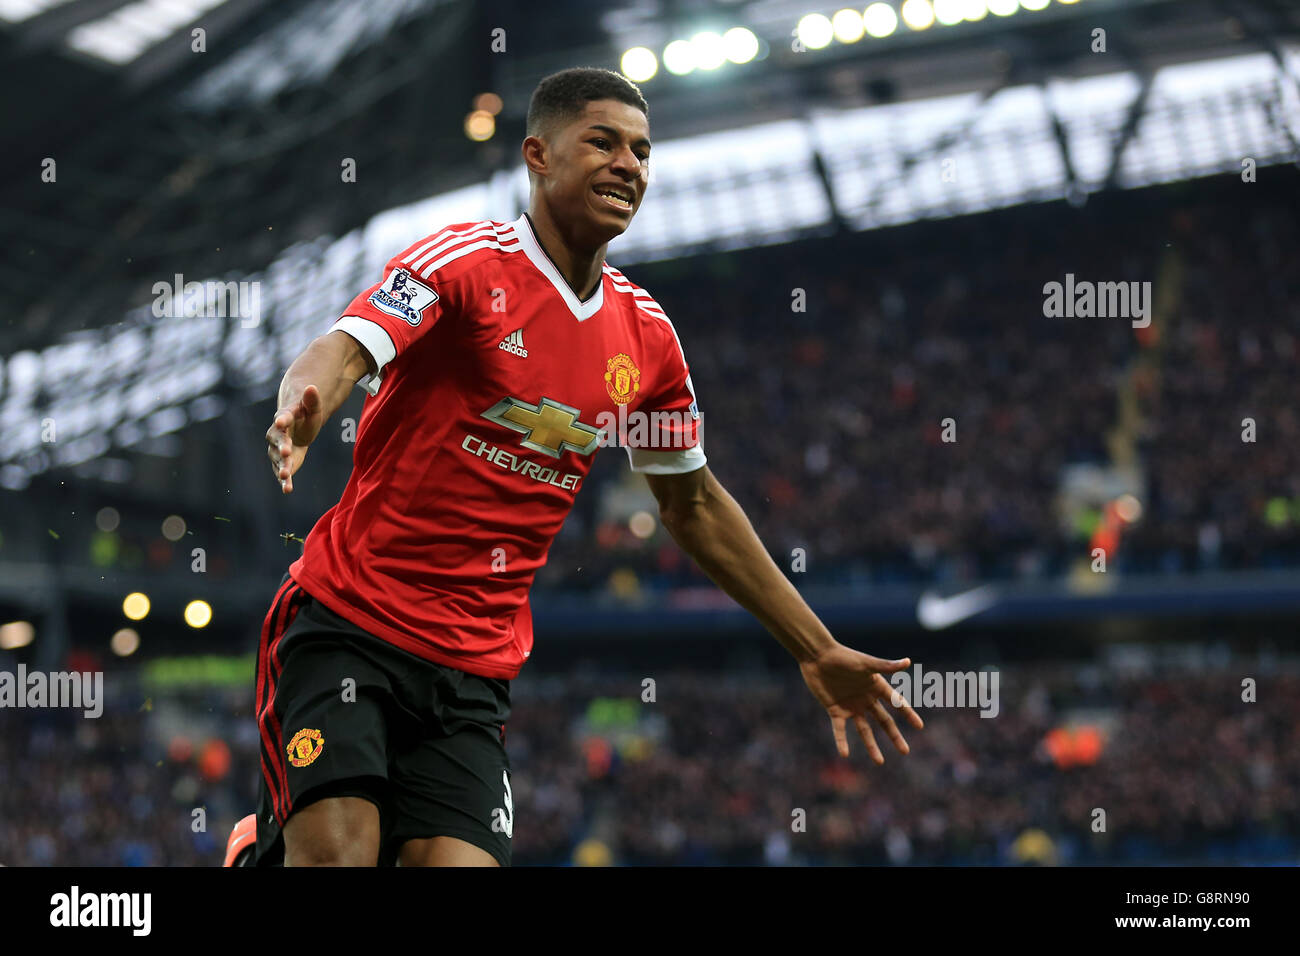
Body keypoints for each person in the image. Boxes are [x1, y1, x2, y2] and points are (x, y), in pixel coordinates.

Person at [254, 67, 923, 868]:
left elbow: (695, 504)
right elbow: (348, 347)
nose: (629, 165)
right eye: (602, 142)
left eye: (642, 151)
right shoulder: (466, 263)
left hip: (471, 670)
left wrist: (814, 647)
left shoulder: (647, 338)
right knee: (337, 856)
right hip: (350, 623)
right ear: (538, 155)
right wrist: (305, 401)